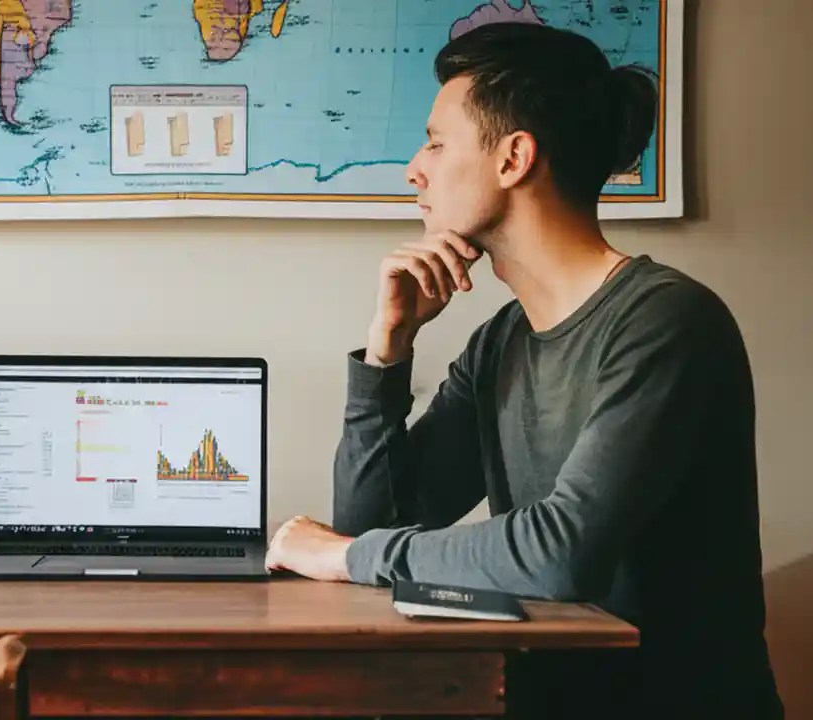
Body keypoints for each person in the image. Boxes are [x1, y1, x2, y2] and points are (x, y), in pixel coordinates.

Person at [264, 21, 784, 719]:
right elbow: (372, 523)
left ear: (514, 158)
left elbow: (560, 555)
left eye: (437, 142)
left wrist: (347, 557)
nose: (414, 168)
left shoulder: (665, 323)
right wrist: (386, 355)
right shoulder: (499, 341)